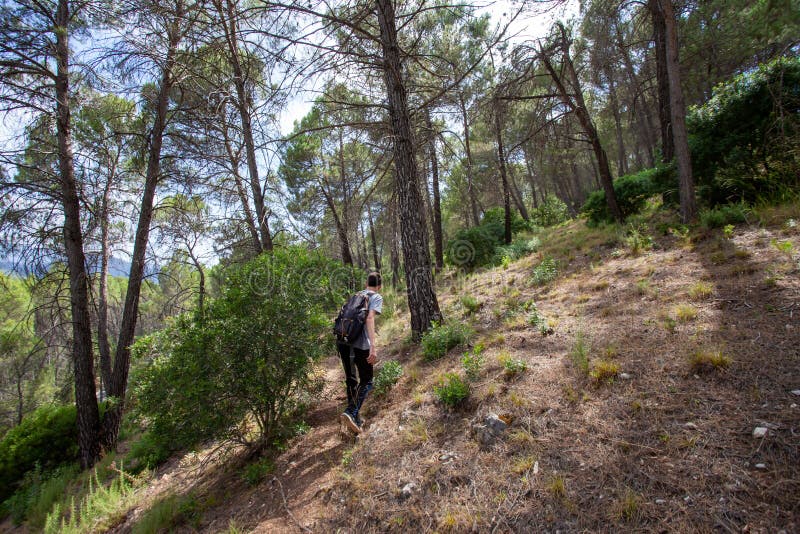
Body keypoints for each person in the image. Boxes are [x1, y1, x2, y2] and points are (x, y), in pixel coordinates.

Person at [338, 271, 383, 434]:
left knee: (351, 381)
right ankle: (350, 412)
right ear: (379, 286)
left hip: (343, 342)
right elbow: (370, 319)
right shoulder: (375, 296)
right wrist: (373, 347)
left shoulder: (356, 295)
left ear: (366, 283)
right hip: (360, 345)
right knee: (367, 380)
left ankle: (353, 422)